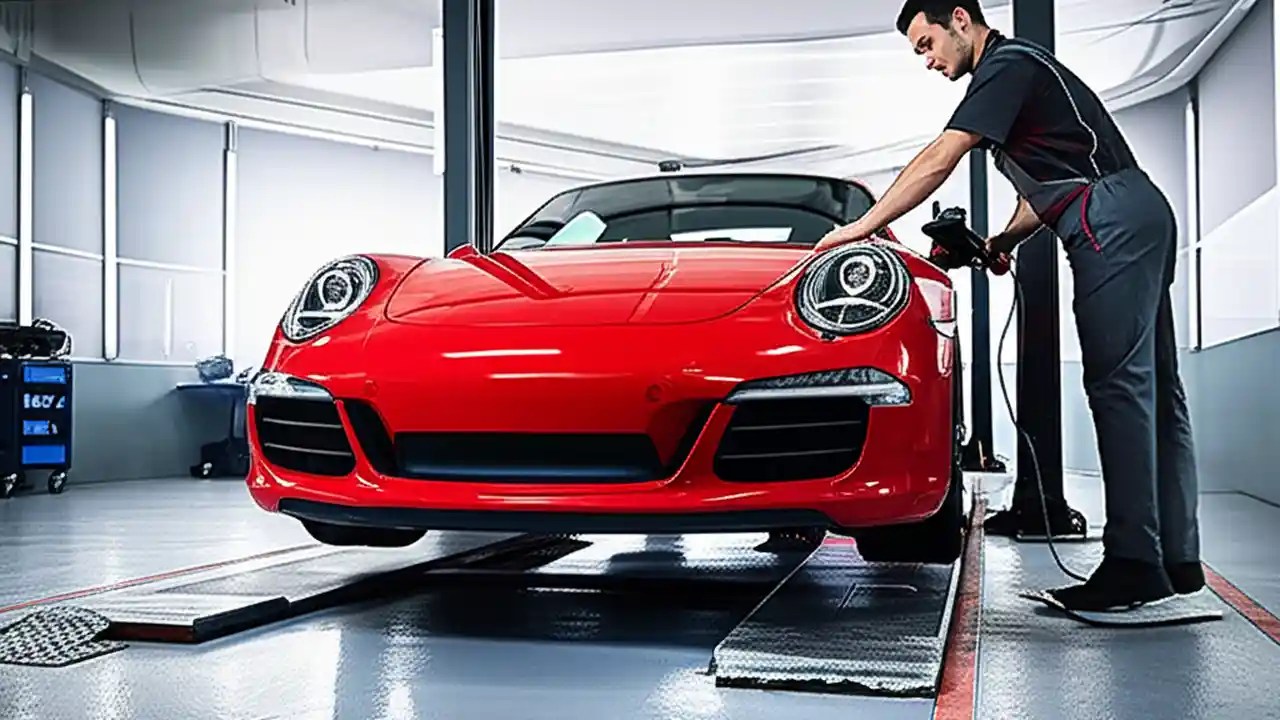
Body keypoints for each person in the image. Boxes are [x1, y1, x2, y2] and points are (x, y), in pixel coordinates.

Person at [814, 0, 1202, 612]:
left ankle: (1134, 563)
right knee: (1157, 389)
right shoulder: (1022, 74)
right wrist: (999, 243)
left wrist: (864, 225)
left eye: (927, 44)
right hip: (1132, 208)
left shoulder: (1008, 63)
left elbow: (943, 156)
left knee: (1119, 387)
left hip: (1108, 220)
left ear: (961, 20)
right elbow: (1049, 188)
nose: (928, 61)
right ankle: (1177, 558)